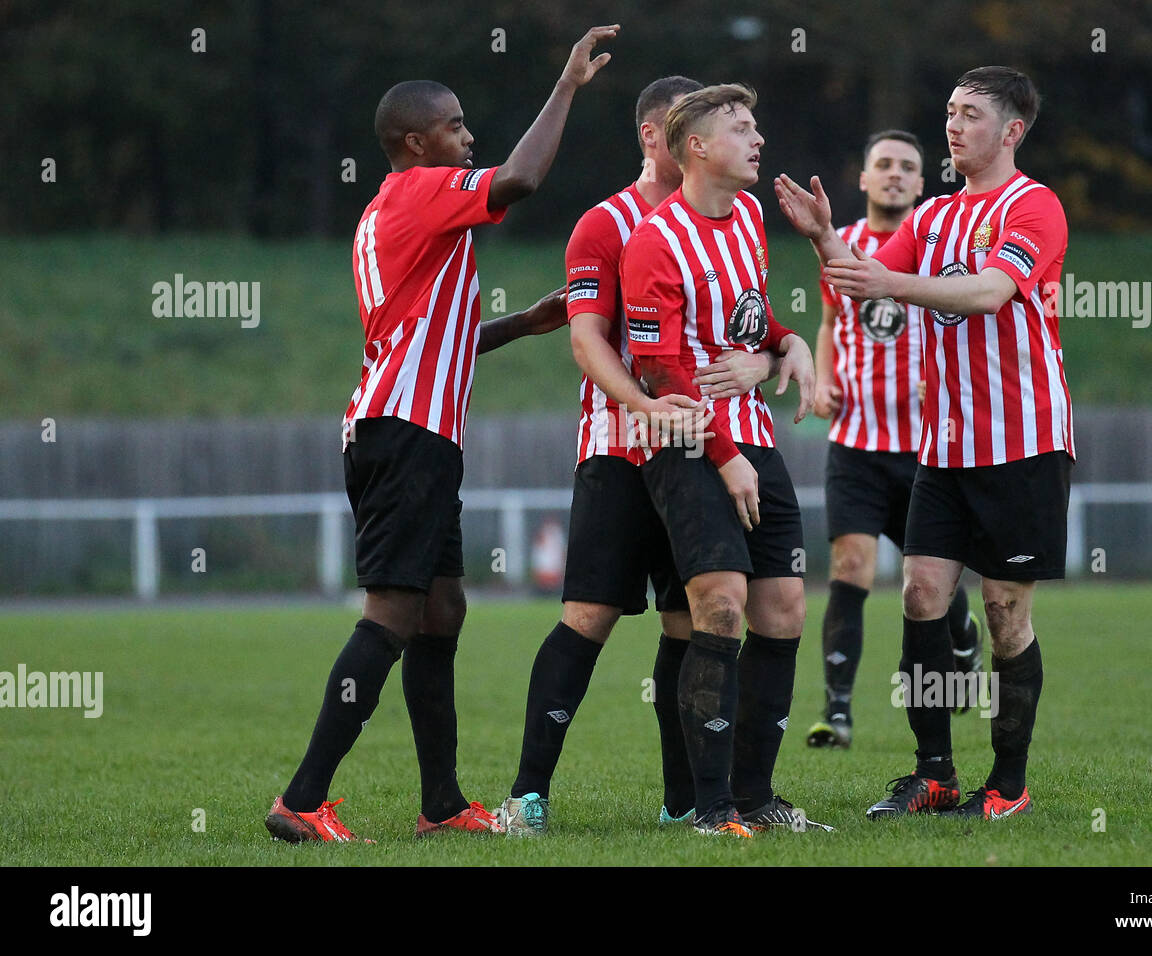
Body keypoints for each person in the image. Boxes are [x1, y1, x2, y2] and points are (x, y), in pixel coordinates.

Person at [263, 25, 621, 843]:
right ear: (416, 142)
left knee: (442, 610)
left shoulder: (385, 213)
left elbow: (426, 333)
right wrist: (566, 83)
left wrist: (525, 324)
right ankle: (301, 798)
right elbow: (523, 179)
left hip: (405, 431)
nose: (470, 137)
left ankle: (441, 804)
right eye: (457, 126)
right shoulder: (423, 191)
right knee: (392, 612)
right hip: (406, 436)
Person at [494, 76, 791, 836]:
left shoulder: (732, 216)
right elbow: (588, 339)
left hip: (697, 442)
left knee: (693, 624)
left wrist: (769, 359)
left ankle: (687, 800)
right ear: (654, 136)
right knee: (589, 615)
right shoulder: (609, 224)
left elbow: (745, 324)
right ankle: (528, 794)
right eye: (664, 128)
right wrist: (646, 408)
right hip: (624, 447)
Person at [776, 65, 1071, 819]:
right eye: (949, 110)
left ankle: (1007, 787)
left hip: (1024, 443)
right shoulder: (933, 217)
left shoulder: (1032, 206)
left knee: (1005, 612)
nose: (953, 124)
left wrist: (892, 285)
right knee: (920, 593)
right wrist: (820, 233)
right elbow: (854, 281)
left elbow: (988, 292)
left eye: (970, 114)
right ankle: (932, 772)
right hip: (944, 448)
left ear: (1011, 131)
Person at [622, 84, 822, 837]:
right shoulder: (654, 240)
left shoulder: (745, 219)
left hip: (751, 443)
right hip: (685, 447)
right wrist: (724, 453)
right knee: (723, 608)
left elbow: (751, 318)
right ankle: (711, 813)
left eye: (757, 125)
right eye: (741, 128)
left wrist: (788, 344)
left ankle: (757, 797)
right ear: (696, 147)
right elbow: (660, 371)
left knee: (784, 608)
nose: (758, 137)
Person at [804, 130, 982, 752]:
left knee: (927, 578)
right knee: (849, 566)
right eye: (883, 164)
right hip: (854, 443)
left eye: (907, 167)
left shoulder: (935, 245)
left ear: (921, 182)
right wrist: (824, 377)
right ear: (863, 178)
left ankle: (965, 638)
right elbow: (828, 322)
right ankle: (838, 710)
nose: (895, 175)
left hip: (924, 448)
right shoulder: (843, 245)